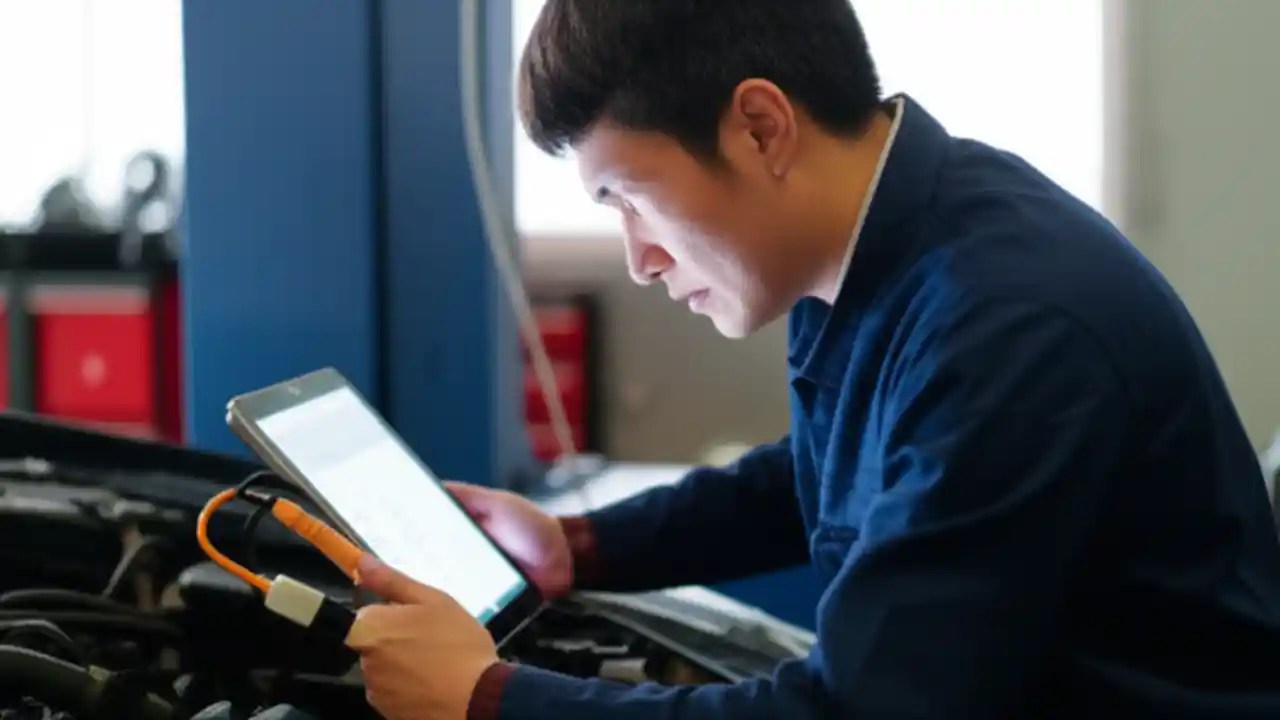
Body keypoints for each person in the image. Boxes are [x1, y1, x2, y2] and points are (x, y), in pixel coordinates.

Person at [346, 0, 1280, 718]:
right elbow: (833, 470)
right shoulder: (893, 237)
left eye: (629, 197)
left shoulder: (1010, 325)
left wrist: (489, 698)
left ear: (760, 127)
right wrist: (579, 547)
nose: (639, 257)